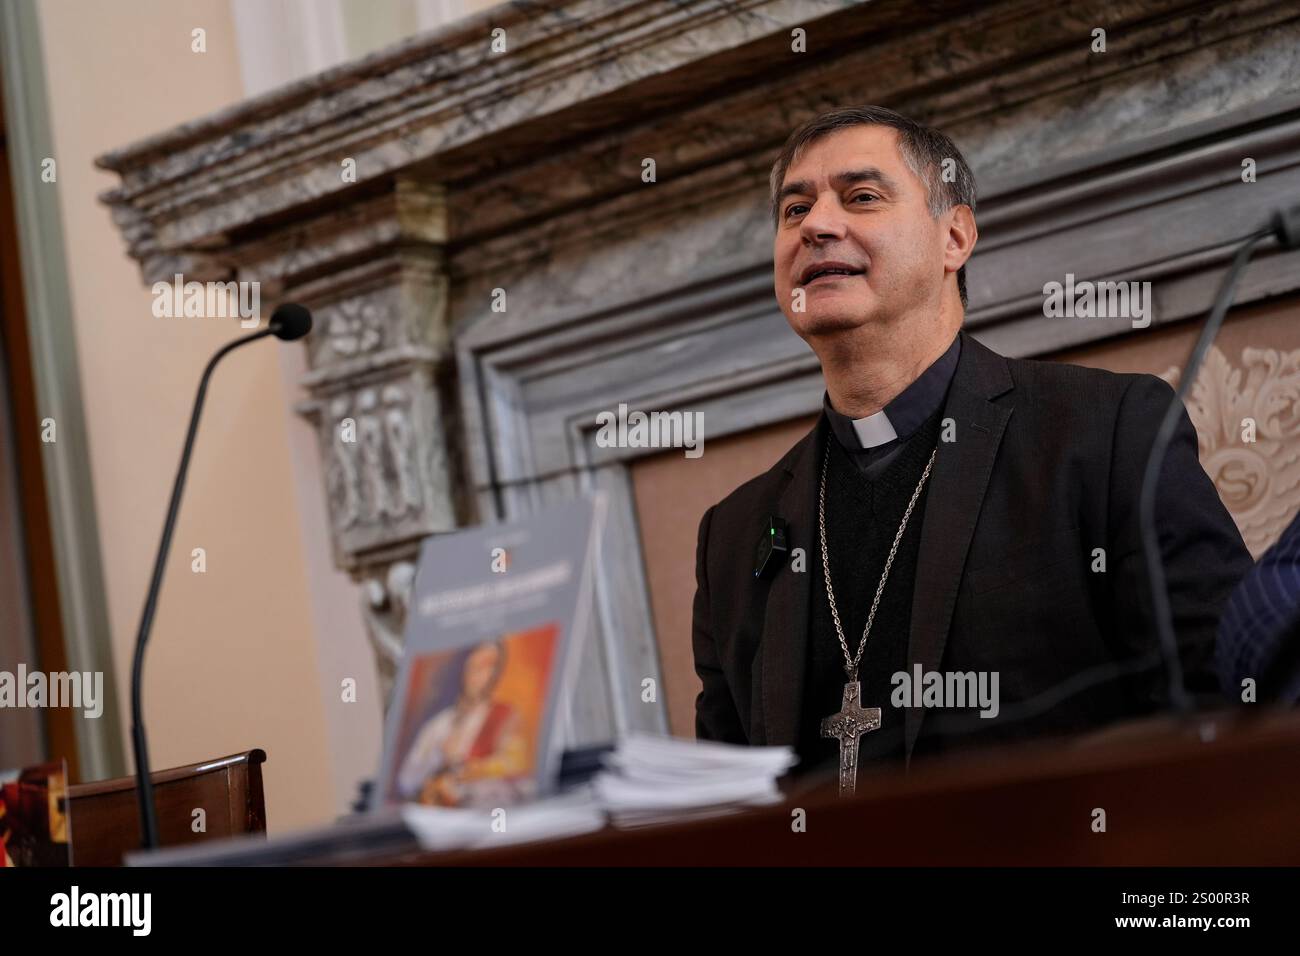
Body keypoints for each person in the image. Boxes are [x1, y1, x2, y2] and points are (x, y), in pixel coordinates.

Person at [691, 105, 1254, 783]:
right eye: (794, 210)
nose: (815, 225)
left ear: (954, 236)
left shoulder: (1104, 432)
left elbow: (1228, 703)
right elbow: (721, 798)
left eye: (862, 197)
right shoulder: (733, 534)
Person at [396, 640, 530, 806]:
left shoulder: (506, 716)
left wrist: (473, 774)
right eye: (479, 667)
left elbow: (519, 775)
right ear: (463, 669)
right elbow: (406, 782)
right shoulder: (439, 725)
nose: (487, 676)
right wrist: (438, 755)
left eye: (493, 667)